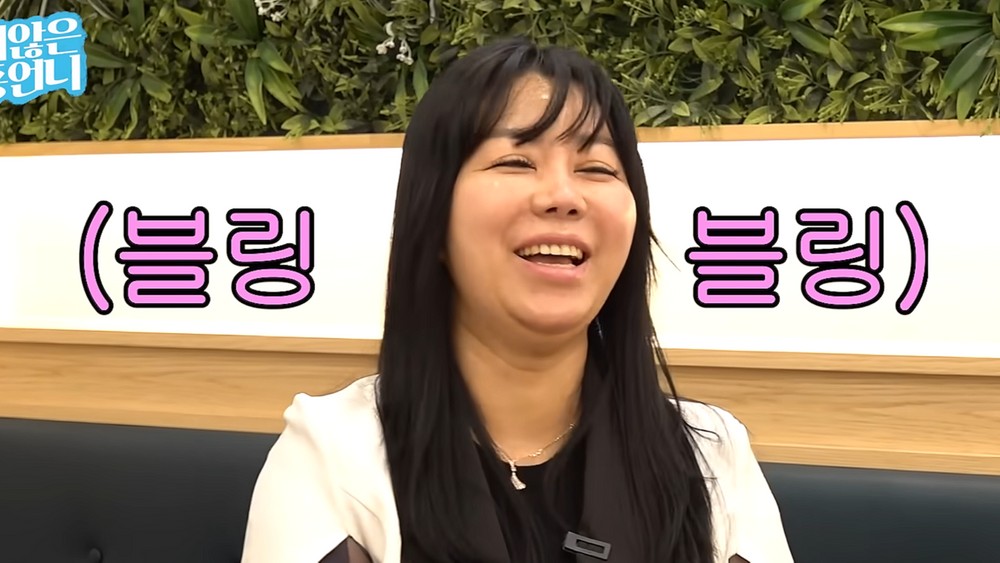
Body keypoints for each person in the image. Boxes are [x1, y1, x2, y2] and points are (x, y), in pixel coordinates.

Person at [240, 37, 793, 563]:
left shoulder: (712, 454)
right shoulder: (334, 454)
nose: (564, 196)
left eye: (597, 169)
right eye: (516, 162)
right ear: (432, 217)